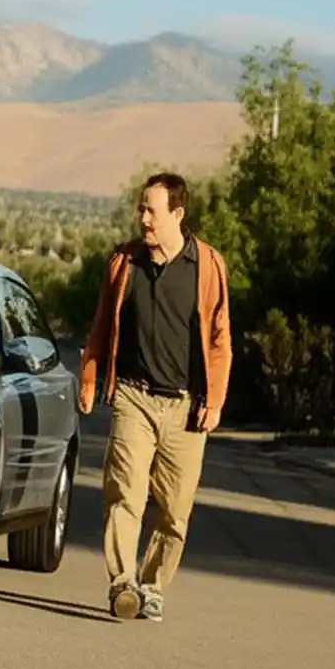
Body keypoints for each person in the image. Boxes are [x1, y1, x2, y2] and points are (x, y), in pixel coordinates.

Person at [77, 171, 232, 622]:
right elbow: (101, 324)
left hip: (185, 405)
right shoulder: (124, 263)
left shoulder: (206, 266)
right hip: (133, 396)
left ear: (177, 214)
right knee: (125, 491)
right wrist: (89, 377)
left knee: (175, 508)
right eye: (141, 208)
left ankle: (152, 585)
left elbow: (220, 338)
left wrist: (215, 399)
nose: (143, 217)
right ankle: (123, 583)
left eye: (151, 210)